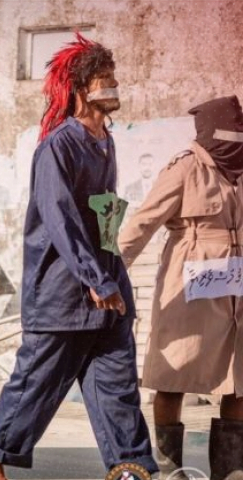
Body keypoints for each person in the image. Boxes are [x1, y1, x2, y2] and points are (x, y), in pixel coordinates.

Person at [0, 33, 156, 480]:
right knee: (36, 385)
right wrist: (97, 278)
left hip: (106, 295)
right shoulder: (58, 146)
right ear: (80, 88)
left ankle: (131, 468)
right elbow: (61, 221)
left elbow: (104, 217)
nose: (113, 86)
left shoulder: (105, 143)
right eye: (104, 79)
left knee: (117, 388)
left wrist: (116, 281)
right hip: (61, 295)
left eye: (114, 78)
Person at [119, 95, 243, 480]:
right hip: (191, 288)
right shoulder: (185, 168)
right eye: (232, 136)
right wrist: (105, 275)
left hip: (236, 292)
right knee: (175, 377)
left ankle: (231, 471)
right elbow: (142, 224)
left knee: (238, 383)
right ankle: (168, 468)